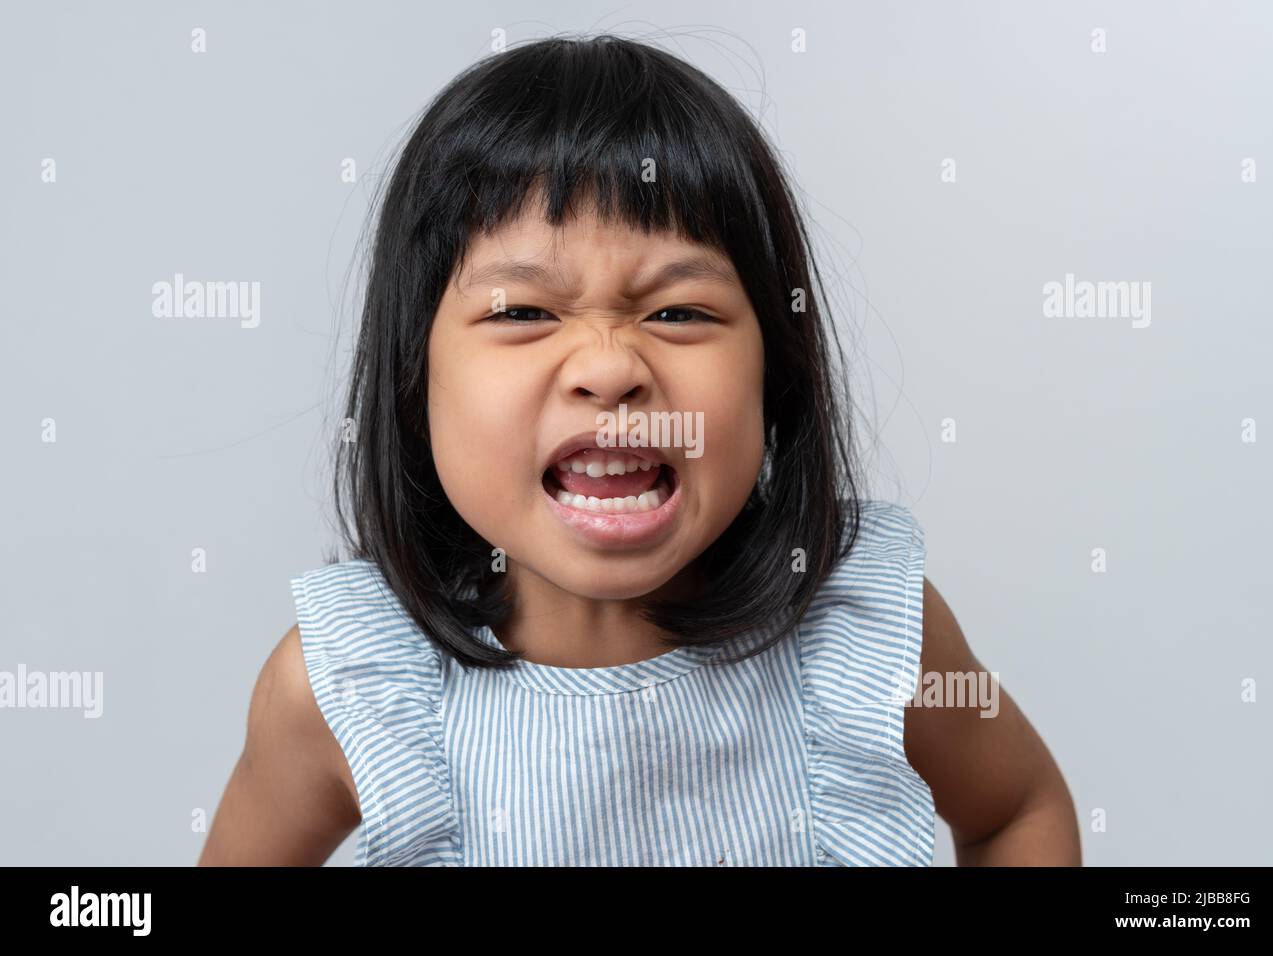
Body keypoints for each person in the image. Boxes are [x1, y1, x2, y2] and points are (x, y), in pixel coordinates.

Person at [199, 34, 1079, 866]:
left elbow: (1016, 810)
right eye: (522, 312)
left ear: (775, 367)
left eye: (678, 312)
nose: (611, 367)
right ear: (413, 375)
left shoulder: (867, 636)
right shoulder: (348, 686)